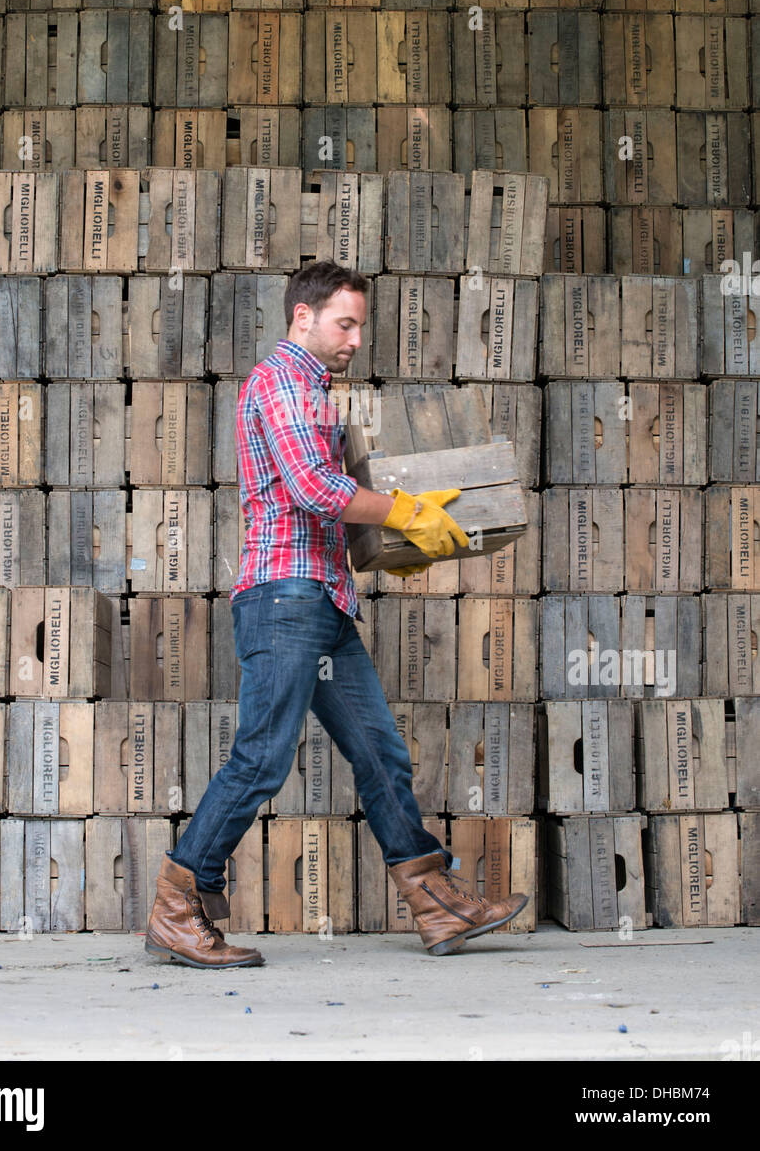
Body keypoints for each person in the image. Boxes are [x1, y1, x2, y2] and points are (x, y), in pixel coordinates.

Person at [145, 260, 527, 967]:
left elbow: (325, 511)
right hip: (282, 599)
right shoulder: (282, 379)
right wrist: (408, 512)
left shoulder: (315, 391)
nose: (354, 338)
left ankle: (435, 902)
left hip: (320, 599)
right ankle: (178, 904)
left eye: (360, 325)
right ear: (303, 318)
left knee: (380, 753)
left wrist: (387, 546)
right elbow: (314, 488)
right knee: (260, 757)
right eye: (343, 323)